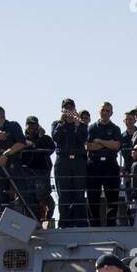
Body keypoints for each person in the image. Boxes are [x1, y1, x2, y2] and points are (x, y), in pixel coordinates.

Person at [52, 98, 89, 228]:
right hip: (63, 161)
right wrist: (61, 122)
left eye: (71, 108)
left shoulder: (81, 124)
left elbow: (83, 138)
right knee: (63, 194)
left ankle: (81, 222)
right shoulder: (56, 124)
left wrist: (77, 124)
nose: (69, 110)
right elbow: (55, 138)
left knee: (79, 193)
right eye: (66, 108)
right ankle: (64, 223)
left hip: (78, 161)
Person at [84, 103, 123, 226]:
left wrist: (100, 141)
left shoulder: (115, 129)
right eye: (103, 110)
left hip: (110, 165)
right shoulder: (91, 128)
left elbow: (116, 146)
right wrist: (108, 143)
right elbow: (88, 146)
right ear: (99, 111)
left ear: (111, 113)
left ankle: (111, 224)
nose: (105, 112)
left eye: (107, 110)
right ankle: (94, 226)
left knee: (112, 197)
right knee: (93, 197)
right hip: (94, 165)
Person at [22, 116, 57, 226]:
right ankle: (33, 220)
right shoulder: (22, 139)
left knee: (45, 197)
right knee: (30, 198)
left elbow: (51, 149)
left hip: (42, 171)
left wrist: (41, 137)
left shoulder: (45, 138)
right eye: (29, 124)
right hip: (27, 173)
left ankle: (46, 219)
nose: (32, 127)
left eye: (34, 124)